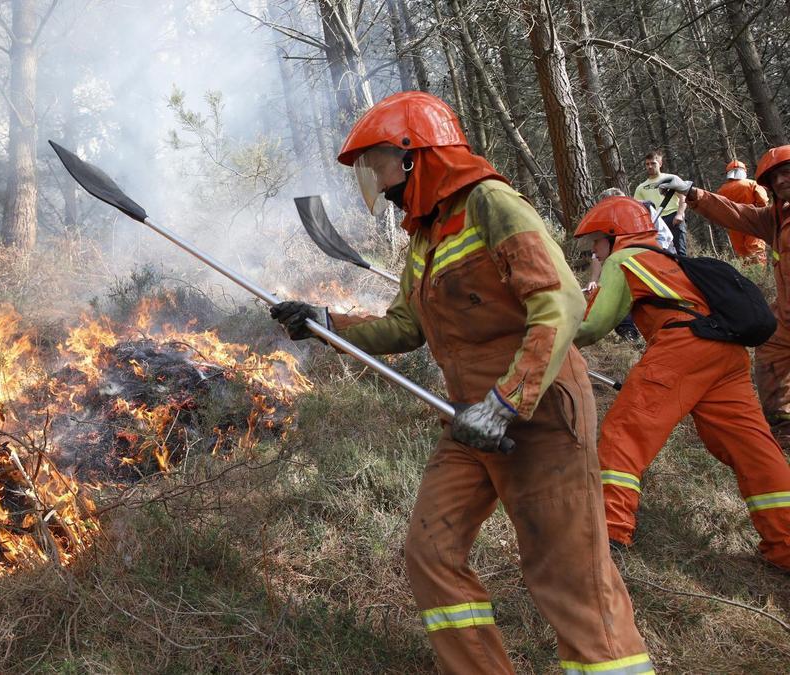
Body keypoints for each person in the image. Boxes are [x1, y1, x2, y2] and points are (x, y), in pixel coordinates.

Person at [270, 92, 651, 674]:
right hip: (468, 419)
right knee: (432, 553)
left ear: (414, 155)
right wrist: (327, 324)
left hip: (537, 411)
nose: (377, 182)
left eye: (378, 166)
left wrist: (505, 403)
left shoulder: (491, 203)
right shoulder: (425, 238)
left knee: (568, 576)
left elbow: (561, 302)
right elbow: (405, 326)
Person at [572, 196, 790, 570]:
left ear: (614, 234)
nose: (594, 251)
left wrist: (547, 334)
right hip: (728, 354)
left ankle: (610, 532)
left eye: (596, 242)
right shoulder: (666, 260)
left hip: (683, 348)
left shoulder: (626, 259)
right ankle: (786, 542)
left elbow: (593, 325)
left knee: (625, 433)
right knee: (753, 449)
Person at [657, 147, 790, 443]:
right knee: (771, 347)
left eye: (786, 173)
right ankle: (783, 427)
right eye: (775, 178)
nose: (781, 180)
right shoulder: (776, 218)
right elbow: (735, 213)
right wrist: (691, 192)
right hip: (786, 315)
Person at [586, 188, 674, 342]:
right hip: (625, 261)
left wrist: (644, 253)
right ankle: (628, 333)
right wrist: (594, 279)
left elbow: (665, 237)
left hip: (658, 259)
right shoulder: (606, 222)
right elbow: (597, 254)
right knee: (618, 287)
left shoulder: (644, 210)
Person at [634, 150, 689, 255]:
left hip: (673, 217)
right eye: (647, 164)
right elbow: (638, 209)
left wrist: (680, 214)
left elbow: (683, 198)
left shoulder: (671, 179)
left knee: (680, 253)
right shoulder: (640, 188)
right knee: (663, 255)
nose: (650, 166)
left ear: (660, 163)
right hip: (655, 222)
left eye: (653, 163)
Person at [716, 160, 769, 264]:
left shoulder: (721, 190)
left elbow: (719, 209)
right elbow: (763, 202)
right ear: (744, 171)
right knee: (756, 250)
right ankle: (759, 273)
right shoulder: (752, 184)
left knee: (743, 255)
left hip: (734, 225)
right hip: (753, 221)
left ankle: (747, 273)